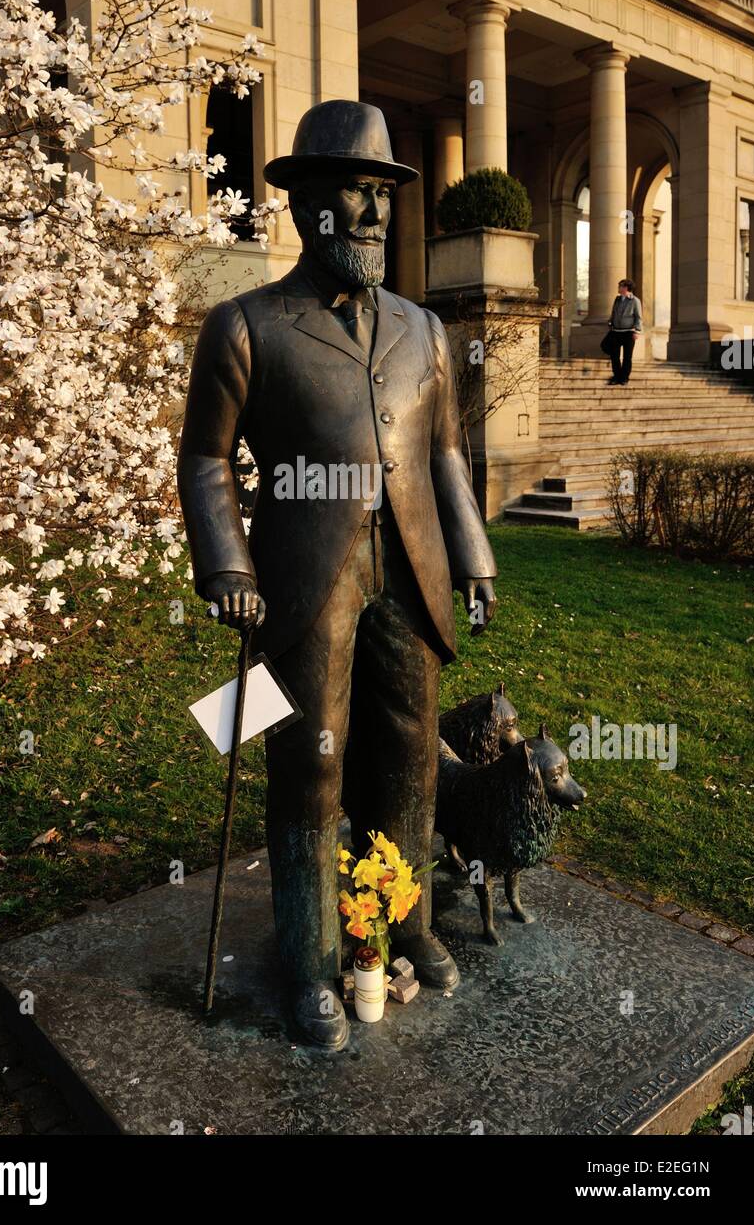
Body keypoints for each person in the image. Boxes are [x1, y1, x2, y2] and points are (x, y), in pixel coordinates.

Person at [177, 100, 497, 1050]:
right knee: (311, 761)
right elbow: (205, 459)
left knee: (408, 754)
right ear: (305, 202)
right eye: (352, 193)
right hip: (307, 577)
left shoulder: (424, 331)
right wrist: (226, 563)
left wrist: (474, 556)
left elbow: (445, 458)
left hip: (411, 566)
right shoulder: (245, 327)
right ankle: (311, 960)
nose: (371, 213)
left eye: (383, 195)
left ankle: (404, 923)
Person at [607, 278, 642, 385]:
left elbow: (638, 317)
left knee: (627, 357)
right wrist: (610, 323)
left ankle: (624, 378)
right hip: (616, 332)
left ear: (626, 288)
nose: (618, 288)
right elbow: (613, 313)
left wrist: (637, 331)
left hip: (629, 332)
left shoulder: (635, 300)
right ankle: (616, 376)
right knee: (614, 356)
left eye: (620, 286)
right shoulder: (617, 299)